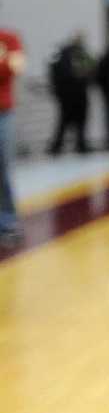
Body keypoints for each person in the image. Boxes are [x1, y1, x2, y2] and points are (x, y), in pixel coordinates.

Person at [47, 32, 96, 154]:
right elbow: (89, 70)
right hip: (73, 93)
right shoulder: (74, 54)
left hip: (71, 94)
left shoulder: (65, 54)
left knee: (68, 121)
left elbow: (91, 69)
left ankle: (61, 146)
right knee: (73, 121)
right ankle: (76, 146)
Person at [0, 16, 23, 247]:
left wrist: (6, 64)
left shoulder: (9, 38)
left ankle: (7, 221)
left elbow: (16, 67)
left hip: (3, 112)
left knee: (3, 167)